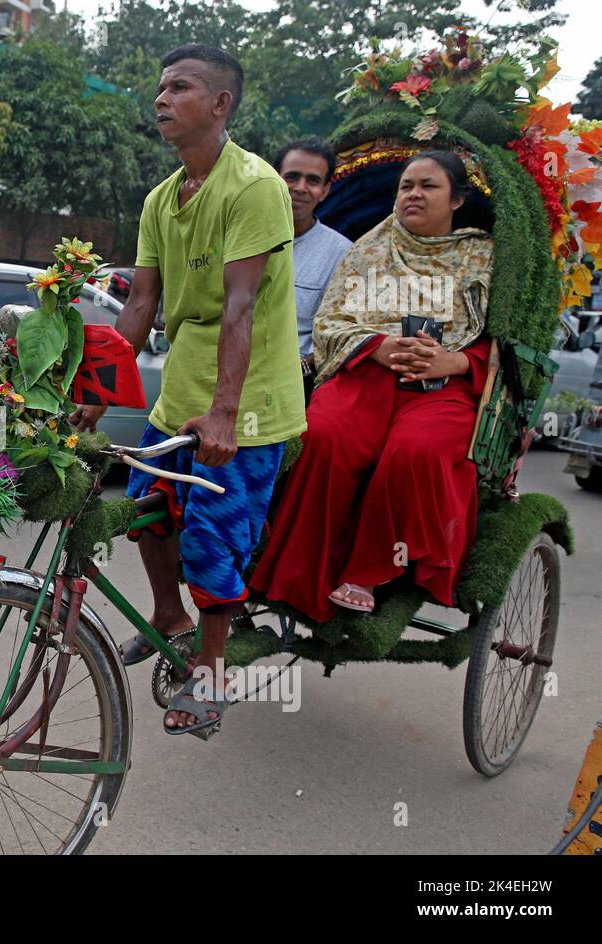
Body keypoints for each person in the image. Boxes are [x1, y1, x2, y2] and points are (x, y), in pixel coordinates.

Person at [69, 44, 306, 737]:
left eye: (180, 87)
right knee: (145, 508)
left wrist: (226, 413)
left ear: (222, 104)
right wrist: (100, 389)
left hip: (249, 402)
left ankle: (208, 672)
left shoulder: (255, 187)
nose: (161, 99)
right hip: (180, 394)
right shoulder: (160, 199)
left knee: (209, 539)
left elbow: (240, 307)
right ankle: (169, 617)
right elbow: (140, 305)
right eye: (160, 86)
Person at [249, 150, 495, 620]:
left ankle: (370, 570)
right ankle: (298, 573)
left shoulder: (483, 256)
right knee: (322, 437)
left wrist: (456, 361)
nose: (414, 194)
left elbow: (504, 340)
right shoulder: (368, 248)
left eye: (428, 186)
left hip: (441, 388)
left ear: (458, 200)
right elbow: (330, 322)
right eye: (406, 186)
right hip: (365, 374)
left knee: (415, 452)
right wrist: (375, 346)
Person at [274, 137, 352, 389]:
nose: (300, 188)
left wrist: (302, 368)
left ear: (326, 190)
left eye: (313, 181)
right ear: (274, 178)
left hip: (295, 381)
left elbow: (339, 335)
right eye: (292, 177)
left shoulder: (341, 253)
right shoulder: (238, 234)